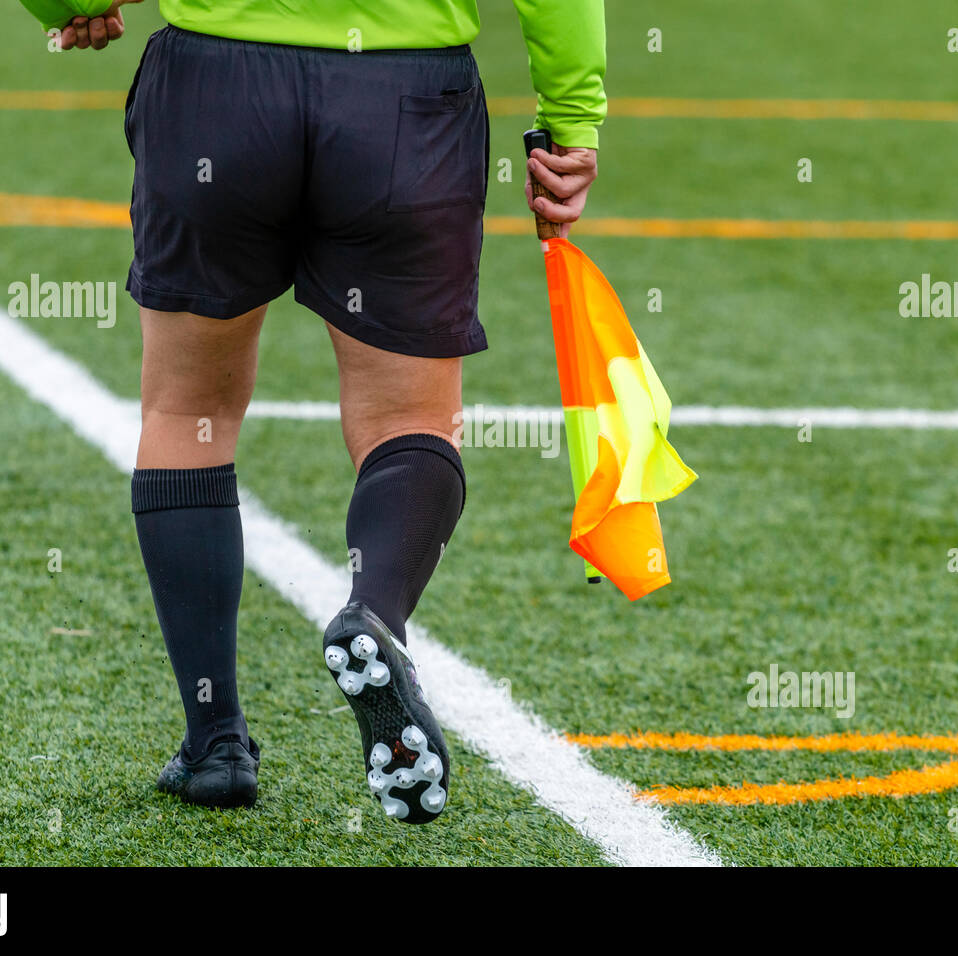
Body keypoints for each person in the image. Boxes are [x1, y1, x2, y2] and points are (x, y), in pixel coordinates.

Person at [35, 0, 605, 824]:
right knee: (408, 421)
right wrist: (572, 112)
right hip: (406, 97)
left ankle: (215, 743)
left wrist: (69, 4)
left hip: (217, 87)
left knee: (187, 412)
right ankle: (374, 611)